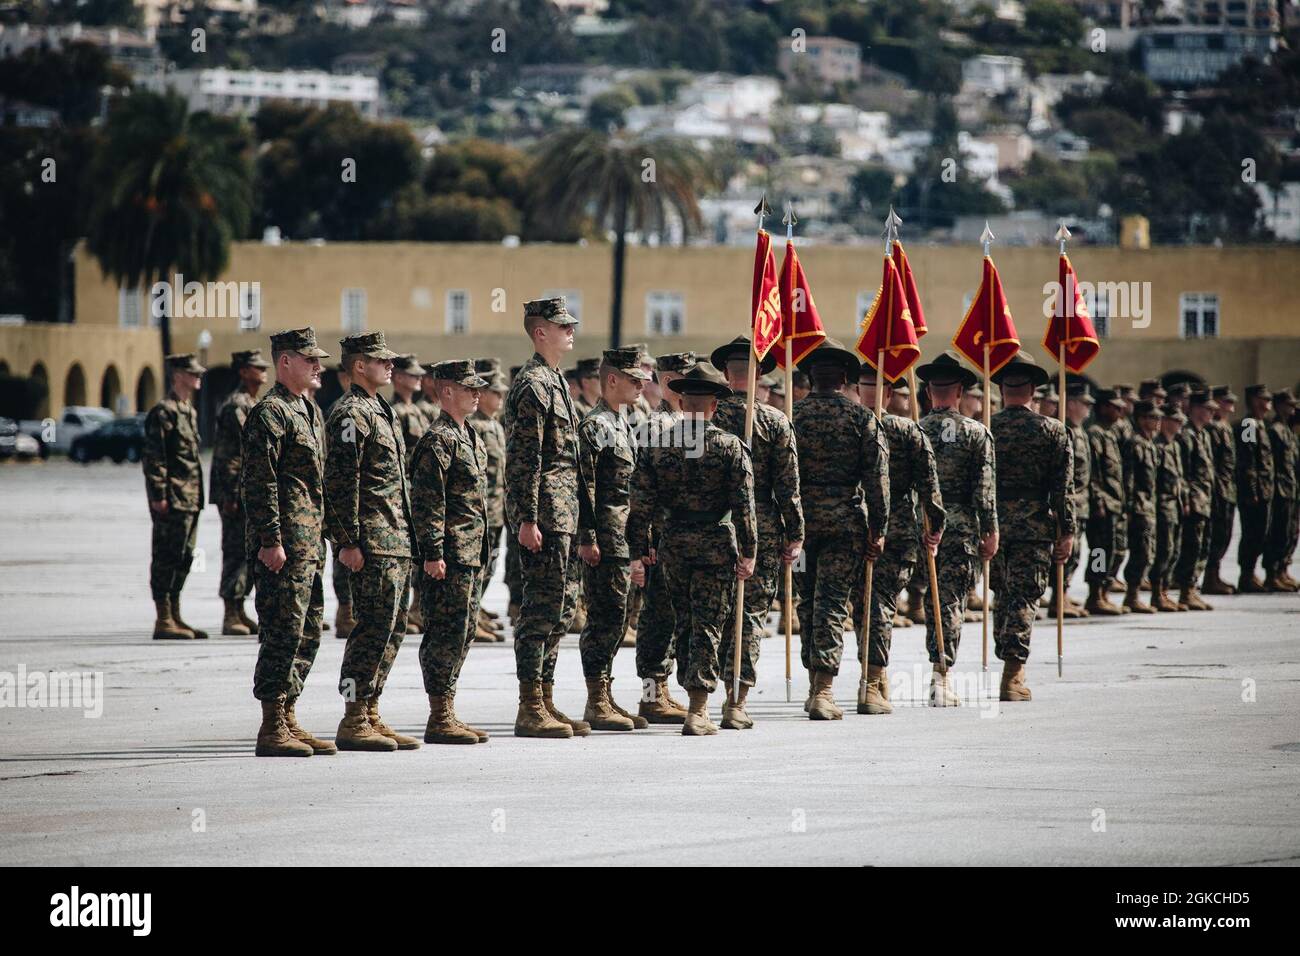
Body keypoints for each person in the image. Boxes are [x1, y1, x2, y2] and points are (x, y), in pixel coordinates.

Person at [626, 363, 757, 736]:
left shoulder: (656, 445)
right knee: (709, 625)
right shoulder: (730, 447)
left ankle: (688, 692)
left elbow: (640, 505)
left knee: (683, 622)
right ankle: (698, 707)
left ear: (682, 402)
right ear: (714, 407)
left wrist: (638, 551)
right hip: (715, 542)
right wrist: (749, 551)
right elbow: (745, 505)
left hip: (674, 543)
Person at [324, 331, 420, 752]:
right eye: (382, 361)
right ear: (359, 365)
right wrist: (347, 540)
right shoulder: (349, 413)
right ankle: (351, 716)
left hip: (394, 537)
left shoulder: (380, 410)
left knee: (392, 629)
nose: (390, 367)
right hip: (371, 540)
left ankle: (370, 709)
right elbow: (342, 483)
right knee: (368, 631)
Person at [504, 296, 593, 739]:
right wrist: (527, 517)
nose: (571, 331)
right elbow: (526, 458)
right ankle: (528, 706)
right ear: (541, 333)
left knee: (559, 610)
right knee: (540, 609)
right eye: (562, 326)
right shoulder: (533, 386)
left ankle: (546, 699)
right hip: (544, 515)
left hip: (564, 514)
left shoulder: (555, 381)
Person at [244, 328, 335, 757]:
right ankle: (271, 724)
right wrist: (270, 539)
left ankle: (289, 713)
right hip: (284, 543)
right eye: (309, 359)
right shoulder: (270, 414)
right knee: (282, 629)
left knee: (308, 628)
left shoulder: (309, 411)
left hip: (311, 541)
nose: (318, 365)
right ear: (285, 363)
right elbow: (260, 482)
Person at [792, 339, 889, 720]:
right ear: (846, 379)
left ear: (810, 378)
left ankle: (814, 681)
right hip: (845, 522)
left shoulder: (792, 416)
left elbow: (780, 476)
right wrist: (878, 529)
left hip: (800, 525)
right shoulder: (863, 419)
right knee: (832, 602)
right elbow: (878, 481)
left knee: (808, 602)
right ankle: (823, 689)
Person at [709, 336, 804, 729]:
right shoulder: (775, 420)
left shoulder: (706, 418)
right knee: (750, 615)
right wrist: (794, 532)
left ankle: (701, 692)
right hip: (761, 527)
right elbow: (788, 485)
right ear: (761, 373)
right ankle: (737, 697)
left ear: (725, 374)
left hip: (711, 524)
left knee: (713, 609)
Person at [410, 360, 493, 744]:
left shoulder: (469, 435)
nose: (477, 393)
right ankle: (438, 714)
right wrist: (432, 552)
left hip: (471, 552)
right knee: (445, 631)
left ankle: (449, 709)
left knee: (463, 631)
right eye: (467, 388)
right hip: (449, 555)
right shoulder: (438, 440)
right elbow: (429, 502)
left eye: (478, 388)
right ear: (446, 392)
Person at [856, 364, 944, 714]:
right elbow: (929, 483)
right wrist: (935, 524)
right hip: (896, 528)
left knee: (862, 603)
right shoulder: (908, 430)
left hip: (856, 525)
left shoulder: (852, 424)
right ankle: (874, 678)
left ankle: (864, 677)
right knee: (880, 605)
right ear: (889, 394)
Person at [988, 353, 1074, 703]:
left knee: (1002, 595)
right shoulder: (1052, 430)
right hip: (1035, 524)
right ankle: (1013, 672)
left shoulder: (986, 428)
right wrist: (1066, 530)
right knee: (1024, 597)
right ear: (1033, 390)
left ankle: (1006, 657)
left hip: (995, 523)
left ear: (1002, 389)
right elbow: (1063, 488)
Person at [576, 347, 653, 731]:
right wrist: (588, 537)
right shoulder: (595, 427)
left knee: (620, 616)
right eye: (633, 379)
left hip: (624, 535)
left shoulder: (622, 423)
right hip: (605, 537)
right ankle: (595, 699)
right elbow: (585, 487)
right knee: (605, 616)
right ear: (611, 380)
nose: (641, 385)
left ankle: (605, 693)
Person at [916, 352, 996, 705]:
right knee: (949, 603)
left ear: (929, 389)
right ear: (961, 390)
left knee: (910, 600)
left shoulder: (914, 429)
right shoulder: (977, 433)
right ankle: (941, 676)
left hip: (917, 524)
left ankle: (875, 680)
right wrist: (990, 530)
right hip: (960, 528)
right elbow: (984, 490)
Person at [634, 351, 696, 724]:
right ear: (670, 381)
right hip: (661, 534)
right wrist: (647, 540)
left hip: (679, 534)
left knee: (671, 615)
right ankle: (651, 695)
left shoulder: (683, 422)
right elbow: (646, 489)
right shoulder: (655, 426)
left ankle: (663, 690)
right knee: (657, 616)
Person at [143, 353, 208, 640]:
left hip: (190, 498)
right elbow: (155, 458)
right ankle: (163, 618)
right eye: (192, 373)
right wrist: (159, 495)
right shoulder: (163, 411)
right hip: (171, 498)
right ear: (178, 375)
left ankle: (175, 614)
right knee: (166, 556)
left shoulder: (188, 411)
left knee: (184, 557)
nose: (198, 377)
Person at [210, 348, 270, 636]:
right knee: (235, 551)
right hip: (236, 492)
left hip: (250, 491)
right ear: (244, 371)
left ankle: (241, 609)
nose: (263, 371)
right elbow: (230, 457)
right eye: (257, 367)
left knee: (251, 553)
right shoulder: (237, 406)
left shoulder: (253, 402)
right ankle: (230, 612)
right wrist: (232, 495)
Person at [391, 354, 430, 634]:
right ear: (398, 377)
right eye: (412, 374)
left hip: (420, 490)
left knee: (420, 552)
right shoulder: (396, 412)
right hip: (407, 489)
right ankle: (408, 609)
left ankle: (417, 607)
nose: (418, 379)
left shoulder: (417, 411)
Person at [469, 360, 508, 640]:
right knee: (479, 565)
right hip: (481, 510)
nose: (500, 398)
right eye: (496, 393)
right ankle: (471, 618)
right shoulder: (476, 427)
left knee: (490, 564)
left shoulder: (494, 425)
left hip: (497, 510)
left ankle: (476, 611)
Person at [1085, 389, 1128, 615]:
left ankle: (1103, 591)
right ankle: (1095, 592)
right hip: (1101, 504)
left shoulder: (1108, 434)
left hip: (1113, 502)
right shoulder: (1094, 434)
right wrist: (1099, 500)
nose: (1120, 410)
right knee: (1099, 551)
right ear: (1102, 407)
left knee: (1108, 549)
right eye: (1114, 406)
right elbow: (1092, 473)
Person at [1175, 392, 1218, 610]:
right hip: (1194, 501)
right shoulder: (1186, 435)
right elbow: (1183, 472)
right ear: (1196, 409)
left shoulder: (1203, 435)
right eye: (1208, 408)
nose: (1212, 412)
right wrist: (1188, 499)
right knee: (1191, 546)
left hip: (1205, 499)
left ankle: (1192, 587)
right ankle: (1185, 590)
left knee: (1202, 545)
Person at [1122, 401, 1163, 614]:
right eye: (1153, 418)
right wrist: (1129, 508)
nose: (1158, 423)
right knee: (1142, 551)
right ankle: (1132, 594)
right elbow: (1128, 479)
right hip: (1138, 507)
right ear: (1142, 420)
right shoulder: (1135, 444)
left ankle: (1137, 593)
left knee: (1150, 551)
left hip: (1149, 505)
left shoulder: (1149, 444)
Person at [1235, 385, 1275, 593]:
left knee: (1261, 534)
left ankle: (1251, 573)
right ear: (1252, 401)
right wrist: (1251, 490)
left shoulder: (1261, 425)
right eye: (1262, 399)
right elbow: (1247, 458)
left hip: (1265, 489)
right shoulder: (1249, 425)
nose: (1267, 404)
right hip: (1255, 492)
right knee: (1253, 533)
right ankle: (1246, 574)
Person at [1059, 383, 1093, 619]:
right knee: (1066, 552)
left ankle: (1068, 592)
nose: (1089, 409)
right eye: (1085, 404)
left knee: (1081, 552)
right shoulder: (1066, 431)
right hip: (1071, 501)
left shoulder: (1081, 431)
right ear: (1071, 404)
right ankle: (1059, 597)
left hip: (1083, 503)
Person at [1152, 404, 1188, 612]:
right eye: (1176, 420)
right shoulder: (1156, 447)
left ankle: (1164, 590)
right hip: (1161, 506)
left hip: (1175, 505)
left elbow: (1179, 478)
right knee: (1162, 550)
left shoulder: (1173, 446)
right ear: (1164, 421)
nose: (1180, 424)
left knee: (1173, 550)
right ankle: (1157, 592)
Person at [1203, 386, 1239, 595]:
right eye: (1226, 402)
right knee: (1215, 535)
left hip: (1228, 489)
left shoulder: (1226, 427)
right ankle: (1210, 577)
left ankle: (1214, 575)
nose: (1230, 407)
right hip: (1217, 490)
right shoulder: (1245, 425)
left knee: (1224, 534)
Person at [1264, 388, 1299, 591]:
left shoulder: (1287, 430)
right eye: (1289, 405)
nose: (1293, 409)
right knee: (1276, 532)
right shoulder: (1272, 429)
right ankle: (1271, 572)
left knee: (1288, 532)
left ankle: (1281, 570)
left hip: (1290, 487)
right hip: (1278, 489)